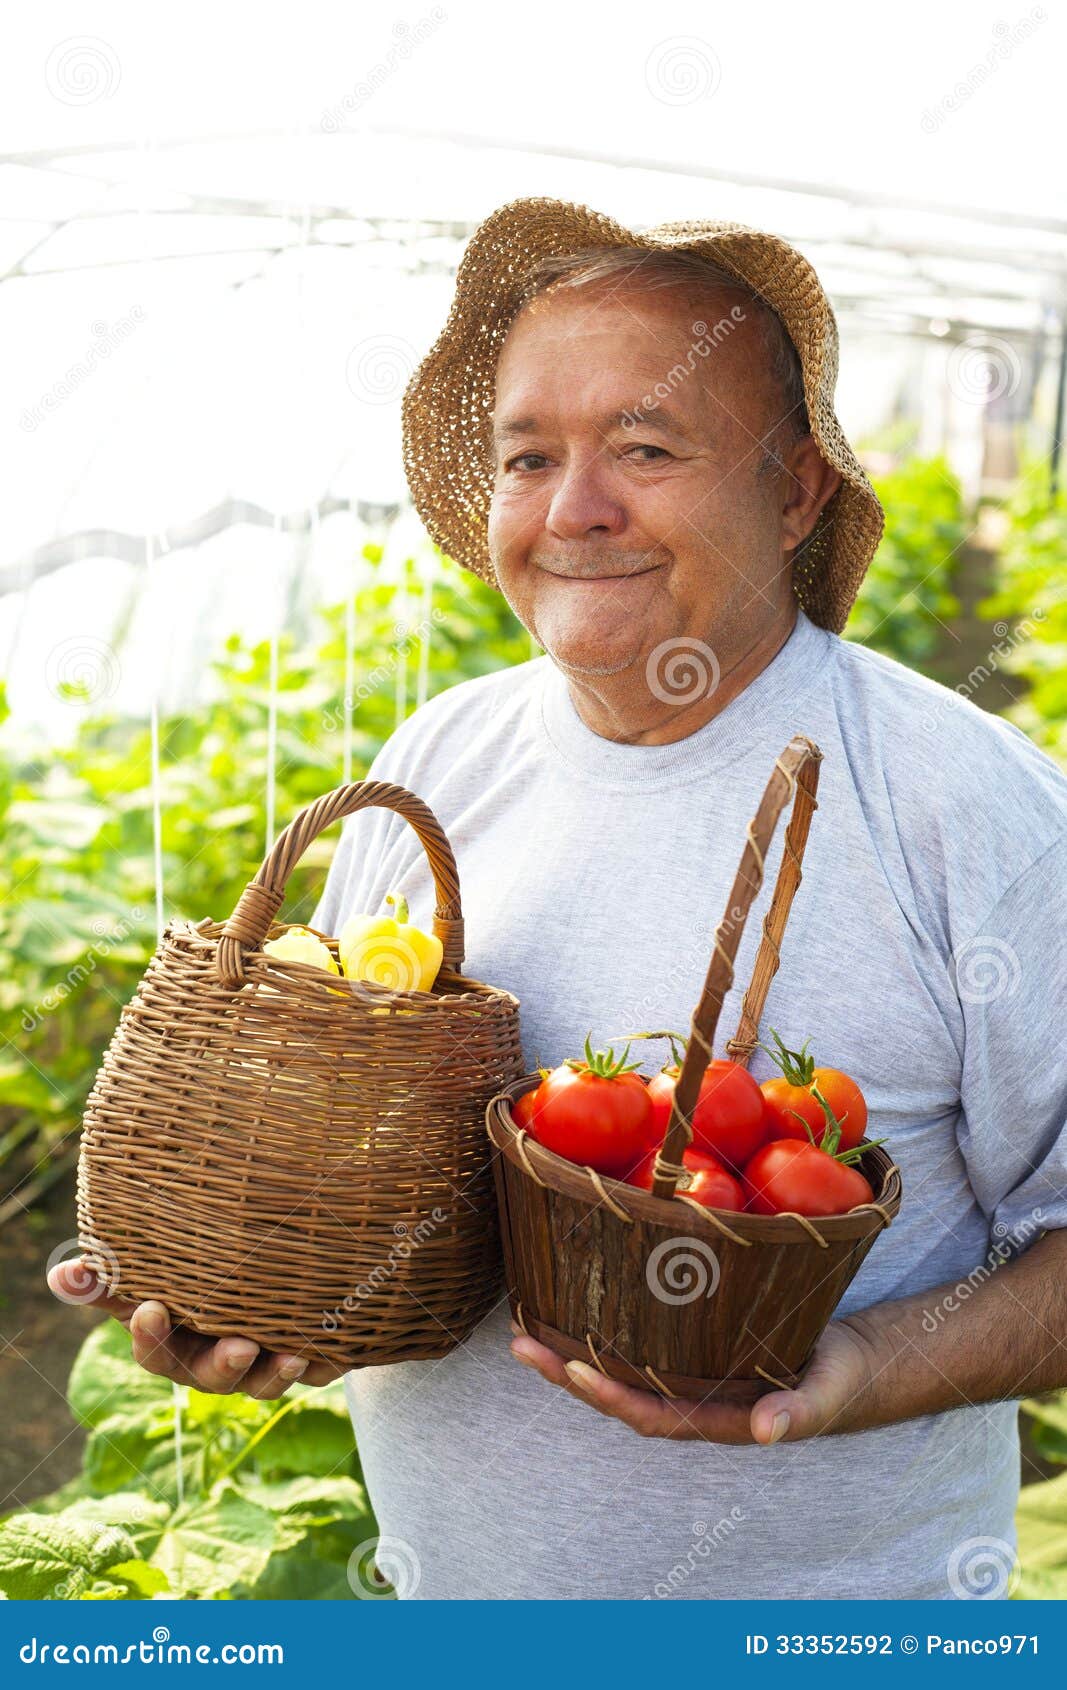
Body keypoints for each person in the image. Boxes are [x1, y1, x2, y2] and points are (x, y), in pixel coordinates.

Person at [51, 198, 1067, 1601]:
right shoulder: (432, 770)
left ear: (794, 490)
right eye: (532, 456)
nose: (575, 508)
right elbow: (393, 1202)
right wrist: (270, 1307)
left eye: (646, 448)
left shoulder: (972, 811)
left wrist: (861, 1371)